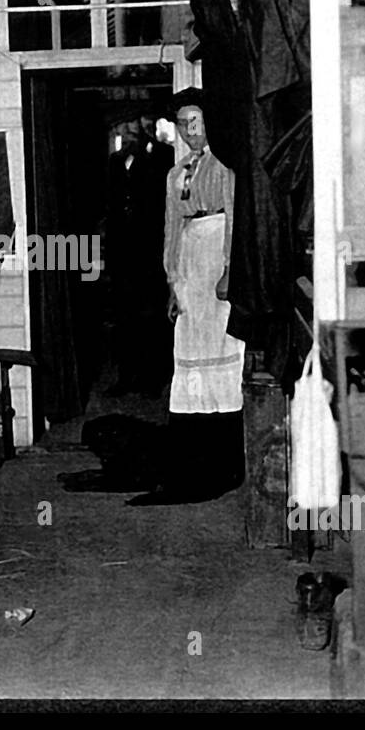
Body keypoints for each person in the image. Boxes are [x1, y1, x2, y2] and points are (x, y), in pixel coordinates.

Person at [129, 87, 245, 505]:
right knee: (191, 358)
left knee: (224, 356)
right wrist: (172, 283)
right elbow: (171, 230)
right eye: (184, 124)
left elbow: (234, 218)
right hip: (189, 269)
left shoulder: (226, 167)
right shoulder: (174, 174)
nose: (191, 131)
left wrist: (230, 270)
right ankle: (198, 454)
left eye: (197, 122)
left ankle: (230, 456)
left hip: (217, 262)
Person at [104, 113, 173, 396]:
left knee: (152, 316)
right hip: (122, 252)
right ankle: (125, 377)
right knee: (124, 316)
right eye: (125, 126)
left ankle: (152, 379)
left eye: (135, 126)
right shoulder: (114, 162)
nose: (130, 131)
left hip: (151, 251)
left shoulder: (163, 156)